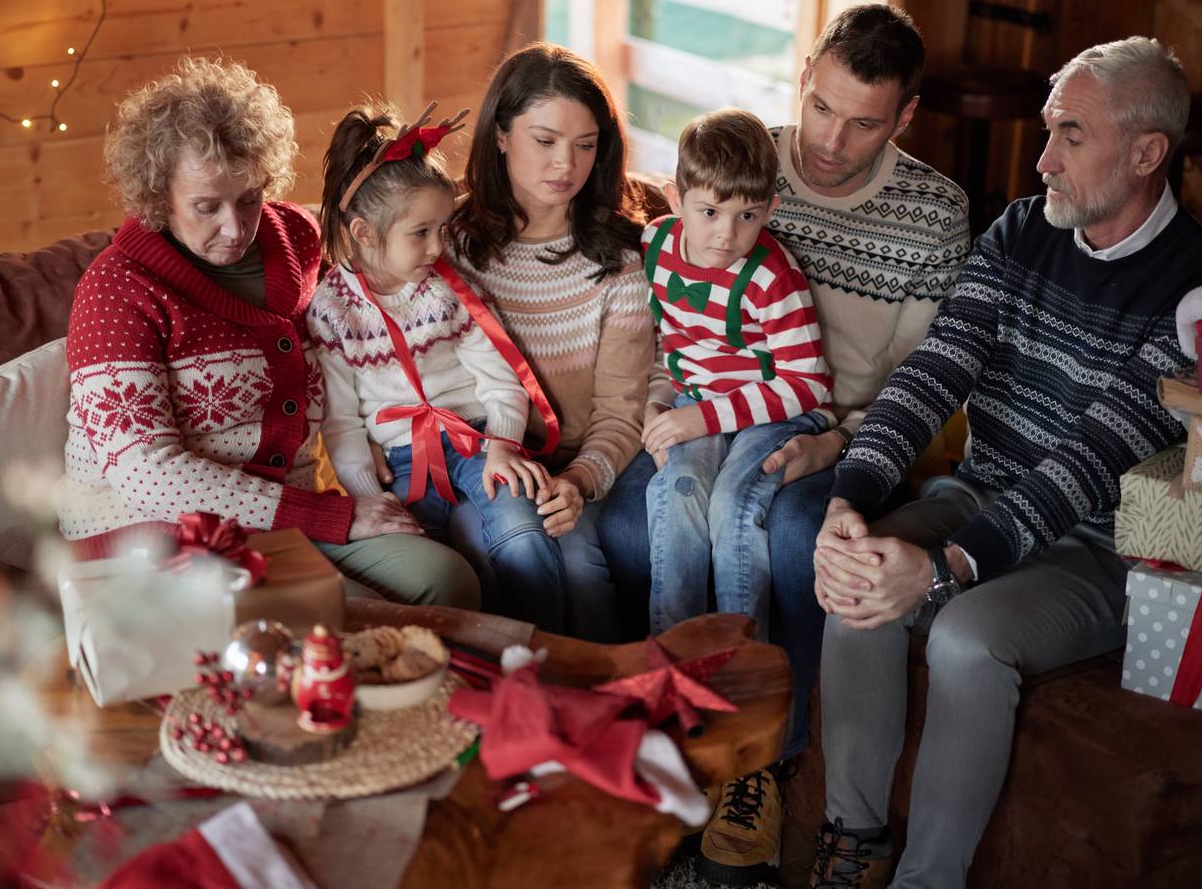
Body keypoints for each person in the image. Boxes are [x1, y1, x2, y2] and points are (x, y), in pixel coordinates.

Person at [807, 37, 1202, 889]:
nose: (1041, 159)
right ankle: (850, 841)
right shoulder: (1016, 231)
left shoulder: (1201, 296)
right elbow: (934, 372)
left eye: (1070, 135)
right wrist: (847, 496)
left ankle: (927, 881)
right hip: (979, 490)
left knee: (966, 638)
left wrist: (943, 569)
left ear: (1146, 152)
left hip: (1101, 542)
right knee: (857, 580)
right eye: (1047, 130)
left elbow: (1087, 462)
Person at [597, 4, 971, 883]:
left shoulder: (932, 214)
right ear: (804, 76)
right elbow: (670, 296)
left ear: (905, 117)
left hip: (842, 430)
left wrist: (838, 438)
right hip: (714, 411)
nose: (831, 141)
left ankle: (759, 762)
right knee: (624, 517)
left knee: (797, 534)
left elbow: (927, 382)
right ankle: (666, 724)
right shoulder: (746, 164)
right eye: (823, 107)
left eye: (864, 121)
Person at [57, 56, 479, 610]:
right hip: (151, 533)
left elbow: (360, 333)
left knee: (447, 579)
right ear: (160, 197)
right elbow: (147, 475)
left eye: (249, 198)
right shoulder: (115, 291)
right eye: (206, 207)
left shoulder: (299, 240)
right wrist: (330, 515)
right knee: (336, 611)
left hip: (283, 519)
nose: (235, 228)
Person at [363, 41, 654, 641]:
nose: (565, 165)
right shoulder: (444, 243)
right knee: (504, 551)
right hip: (472, 467)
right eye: (544, 140)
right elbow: (372, 339)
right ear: (501, 136)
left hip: (575, 471)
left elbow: (620, 412)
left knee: (576, 560)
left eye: (585, 144)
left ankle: (608, 699)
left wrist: (578, 483)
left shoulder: (621, 260)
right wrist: (366, 439)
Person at [306, 103, 564, 631]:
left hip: (475, 441)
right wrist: (367, 498)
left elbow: (499, 379)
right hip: (399, 462)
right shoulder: (330, 311)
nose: (438, 246)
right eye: (421, 233)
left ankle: (550, 654)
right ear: (363, 233)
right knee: (431, 572)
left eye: (443, 228)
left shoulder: (445, 288)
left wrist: (503, 445)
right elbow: (341, 421)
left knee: (521, 527)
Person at [641, 108, 833, 642]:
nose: (726, 236)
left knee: (734, 503)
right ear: (674, 198)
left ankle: (743, 659)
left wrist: (700, 418)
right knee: (677, 491)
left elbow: (807, 384)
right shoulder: (653, 248)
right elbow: (662, 345)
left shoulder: (772, 276)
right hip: (695, 401)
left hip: (778, 410)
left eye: (748, 216)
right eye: (709, 212)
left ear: (770, 209)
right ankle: (674, 657)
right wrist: (659, 405)